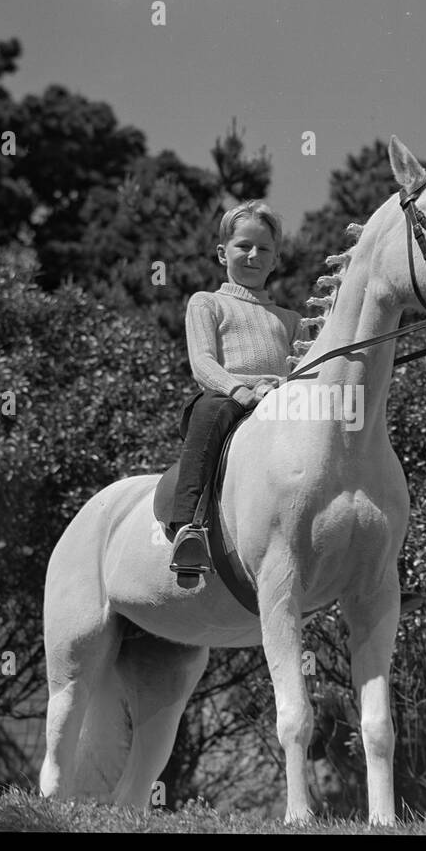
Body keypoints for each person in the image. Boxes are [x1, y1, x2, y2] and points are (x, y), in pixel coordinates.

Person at [169, 200, 301, 576]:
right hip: (228, 399)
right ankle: (189, 528)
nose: (253, 255)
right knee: (210, 409)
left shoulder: (291, 320)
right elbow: (203, 364)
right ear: (222, 253)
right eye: (244, 245)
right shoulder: (207, 303)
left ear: (275, 260)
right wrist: (242, 392)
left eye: (264, 249)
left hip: (280, 401)